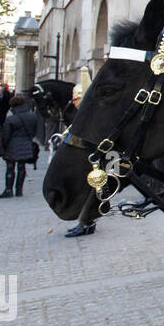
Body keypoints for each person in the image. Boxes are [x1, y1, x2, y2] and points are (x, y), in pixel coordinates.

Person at [63, 68, 98, 237]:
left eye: (76, 99)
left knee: (88, 194)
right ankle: (84, 221)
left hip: (90, 164)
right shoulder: (79, 115)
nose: (74, 102)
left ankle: (86, 223)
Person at [0, 95, 39, 198]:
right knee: (22, 167)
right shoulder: (32, 116)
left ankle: (8, 190)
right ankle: (19, 190)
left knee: (10, 167)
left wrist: (3, 147)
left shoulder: (11, 119)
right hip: (26, 142)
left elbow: (6, 135)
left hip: (12, 145)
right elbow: (34, 131)